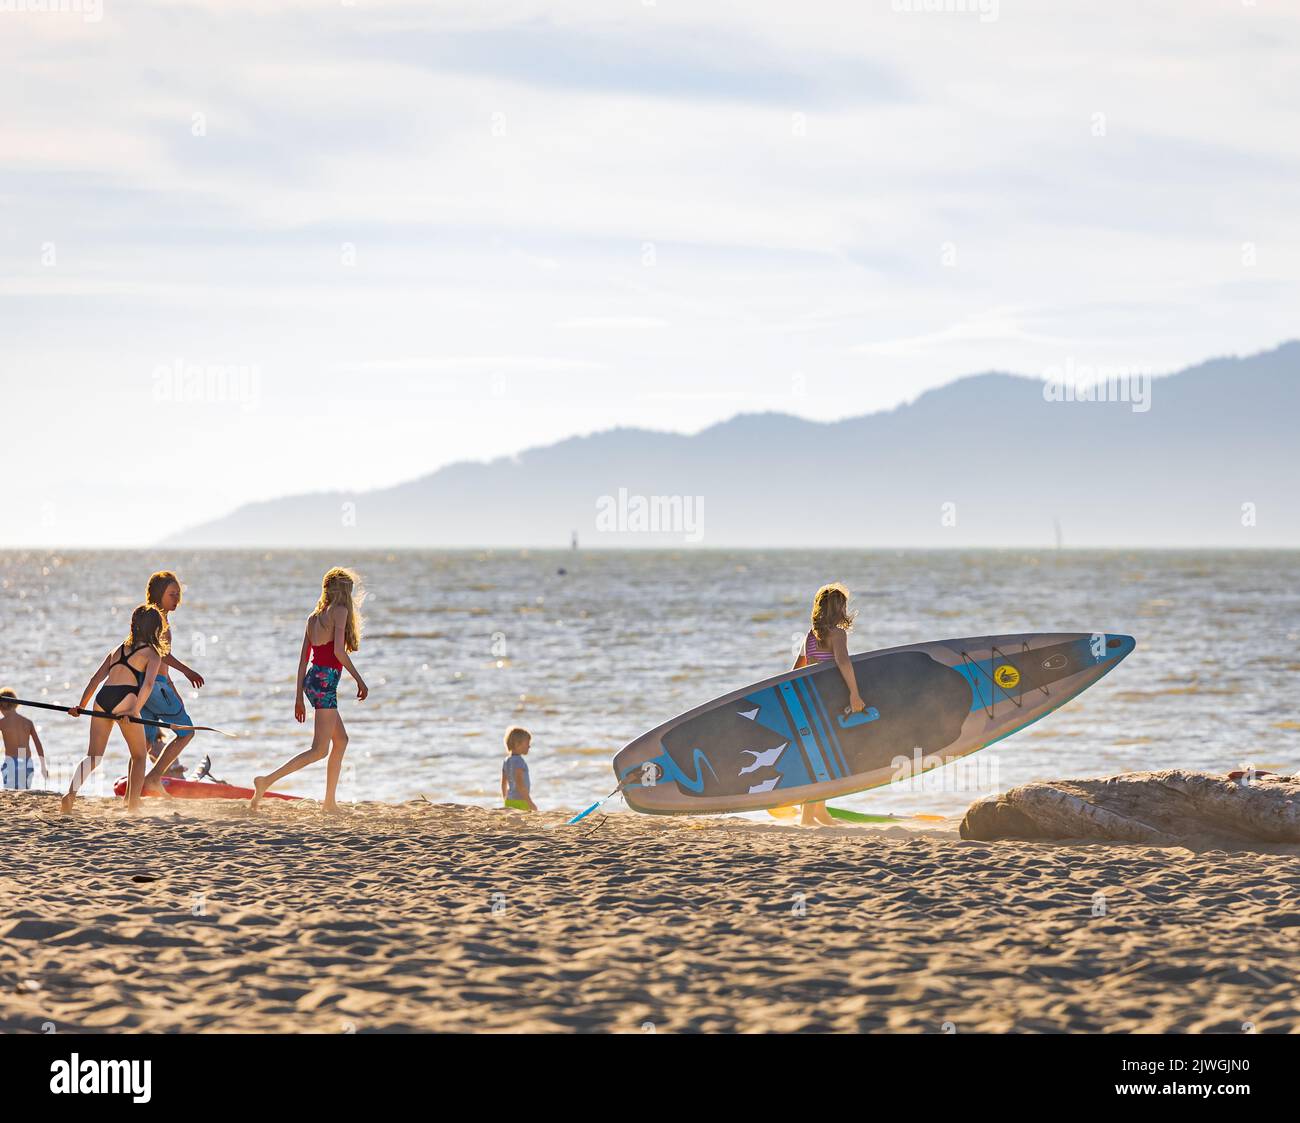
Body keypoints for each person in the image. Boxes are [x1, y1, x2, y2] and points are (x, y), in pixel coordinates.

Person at [251, 567, 368, 813]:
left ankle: (329, 802)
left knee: (341, 740)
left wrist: (298, 698)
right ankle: (266, 781)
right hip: (325, 682)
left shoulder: (313, 617)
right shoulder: (340, 612)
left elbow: (303, 661)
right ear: (343, 591)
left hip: (312, 680)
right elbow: (338, 651)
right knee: (319, 750)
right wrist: (359, 679)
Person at [62, 605, 168, 813]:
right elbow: (147, 685)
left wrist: (81, 706)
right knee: (139, 757)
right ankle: (133, 806)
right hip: (125, 698)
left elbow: (95, 679)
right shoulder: (153, 654)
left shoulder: (118, 648)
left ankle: (70, 794)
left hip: (103, 698)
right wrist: (133, 711)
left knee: (93, 756)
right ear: (156, 628)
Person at [791, 583, 867, 827]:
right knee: (826, 757)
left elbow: (796, 669)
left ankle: (820, 813)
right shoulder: (838, 634)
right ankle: (807, 817)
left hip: (811, 702)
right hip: (828, 703)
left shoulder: (811, 636)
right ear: (838, 608)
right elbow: (843, 662)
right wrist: (855, 694)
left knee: (821, 756)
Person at [138, 571, 206, 793]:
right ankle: (154, 778)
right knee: (187, 732)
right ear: (159, 594)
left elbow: (159, 663)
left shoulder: (148, 617)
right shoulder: (158, 620)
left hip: (148, 686)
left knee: (146, 743)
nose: (176, 599)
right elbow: (160, 655)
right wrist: (188, 671)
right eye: (172, 594)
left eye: (178, 594)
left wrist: (173, 689)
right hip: (155, 686)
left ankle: (136, 793)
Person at [0, 690, 47, 790]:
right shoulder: (27, 722)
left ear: (1, 706)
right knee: (23, 791)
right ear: (15, 704)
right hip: (26, 762)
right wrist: (43, 766)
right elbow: (38, 745)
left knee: (10, 792)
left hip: (10, 762)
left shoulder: (2, 722)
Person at [501, 726, 536, 811]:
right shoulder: (519, 762)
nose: (529, 746)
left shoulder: (507, 760)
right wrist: (530, 802)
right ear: (517, 744)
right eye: (527, 743)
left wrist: (505, 799)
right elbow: (520, 784)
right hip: (521, 801)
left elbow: (503, 783)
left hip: (509, 800)